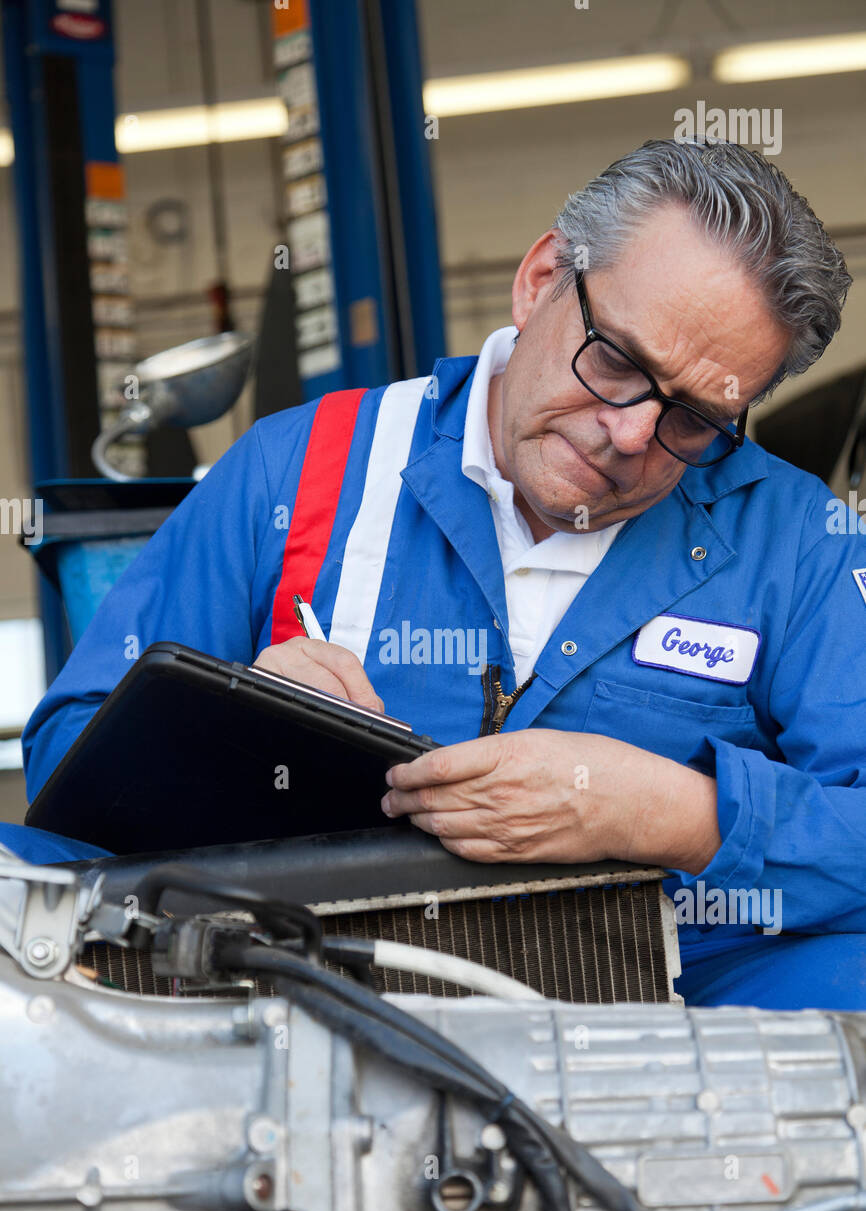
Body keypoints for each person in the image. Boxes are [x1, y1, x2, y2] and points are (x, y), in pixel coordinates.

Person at [10, 139, 866, 1008]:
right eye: (616, 362)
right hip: (308, 988)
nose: (633, 434)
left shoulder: (802, 543)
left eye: (694, 416)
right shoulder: (297, 469)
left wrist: (678, 817)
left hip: (663, 1013)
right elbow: (63, 766)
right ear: (539, 280)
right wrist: (222, 721)